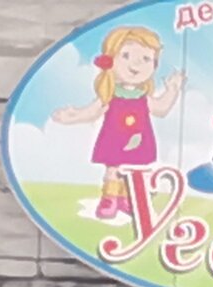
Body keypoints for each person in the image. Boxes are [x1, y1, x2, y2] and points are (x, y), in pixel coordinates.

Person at [53, 26, 185, 219]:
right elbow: (92, 112)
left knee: (134, 171)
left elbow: (161, 109)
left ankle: (125, 198)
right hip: (115, 139)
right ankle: (109, 199)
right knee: (113, 169)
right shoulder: (110, 94)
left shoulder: (143, 97)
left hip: (139, 140)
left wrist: (172, 90)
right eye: (126, 55)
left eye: (146, 59)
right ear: (110, 59)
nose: (136, 64)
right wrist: (72, 117)